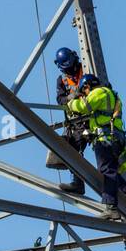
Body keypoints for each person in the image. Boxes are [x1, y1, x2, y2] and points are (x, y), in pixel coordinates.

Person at [65, 74, 126, 215]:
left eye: (84, 91)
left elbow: (83, 106)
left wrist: (70, 103)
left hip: (104, 139)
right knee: (110, 169)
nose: (85, 94)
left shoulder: (98, 93)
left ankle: (110, 207)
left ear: (87, 86)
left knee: (106, 170)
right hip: (116, 138)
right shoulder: (113, 94)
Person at [50, 46, 88, 194]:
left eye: (72, 66)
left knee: (108, 142)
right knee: (73, 149)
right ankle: (77, 184)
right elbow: (60, 99)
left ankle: (124, 172)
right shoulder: (62, 80)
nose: (70, 70)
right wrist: (71, 97)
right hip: (77, 120)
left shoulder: (86, 67)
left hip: (92, 114)